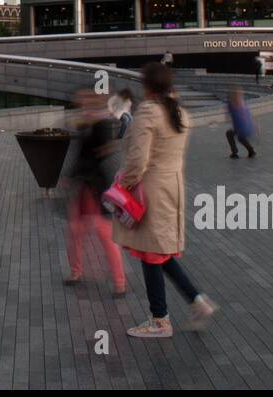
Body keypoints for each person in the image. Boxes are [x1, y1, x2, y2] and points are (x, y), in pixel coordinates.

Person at [116, 63, 217, 338]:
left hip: (149, 190)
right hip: (171, 189)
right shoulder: (180, 112)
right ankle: (197, 301)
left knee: (151, 254)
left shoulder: (148, 112)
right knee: (160, 252)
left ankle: (160, 320)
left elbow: (137, 161)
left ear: (147, 87)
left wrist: (121, 186)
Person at [63, 91, 126, 296]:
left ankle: (119, 282)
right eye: (82, 101)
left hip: (97, 186)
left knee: (104, 232)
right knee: (75, 230)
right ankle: (76, 272)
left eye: (88, 100)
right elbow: (80, 154)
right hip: (83, 185)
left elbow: (104, 151)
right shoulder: (84, 124)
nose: (84, 104)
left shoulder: (102, 125)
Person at [225, 88, 257, 159]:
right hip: (249, 126)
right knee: (234, 135)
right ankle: (250, 150)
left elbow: (234, 118)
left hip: (243, 127)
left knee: (234, 135)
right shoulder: (243, 103)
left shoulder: (232, 105)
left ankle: (236, 152)